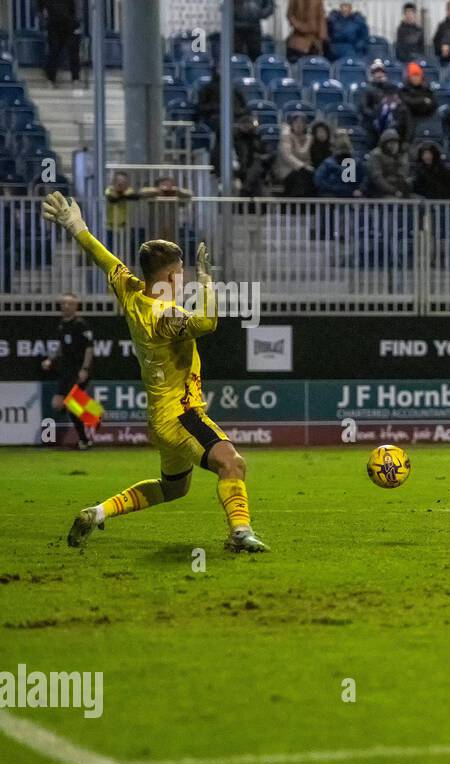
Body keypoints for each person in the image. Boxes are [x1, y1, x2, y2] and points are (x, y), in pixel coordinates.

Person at [42, 192, 268, 552]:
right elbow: (207, 323)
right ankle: (240, 534)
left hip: (159, 420)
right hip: (181, 414)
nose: (186, 279)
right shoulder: (164, 317)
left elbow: (105, 260)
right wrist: (208, 283)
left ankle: (96, 513)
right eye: (183, 273)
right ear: (171, 274)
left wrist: (77, 227)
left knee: (174, 488)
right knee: (232, 463)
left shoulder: (131, 292)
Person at [40, 293, 95, 449]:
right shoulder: (62, 325)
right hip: (66, 371)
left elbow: (89, 348)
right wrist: (50, 360)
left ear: (76, 306)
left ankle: (85, 438)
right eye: (63, 304)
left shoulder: (80, 324)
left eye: (69, 304)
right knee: (58, 404)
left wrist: (84, 368)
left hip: (78, 370)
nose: (66, 306)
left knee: (69, 403)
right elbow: (61, 348)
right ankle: (92, 415)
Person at [38, 0, 81, 86]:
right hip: (53, 25)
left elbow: (74, 8)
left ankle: (75, 78)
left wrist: (76, 22)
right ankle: (50, 78)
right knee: (53, 51)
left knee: (73, 52)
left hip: (69, 24)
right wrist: (43, 16)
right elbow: (40, 7)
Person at [275, 113, 316, 196]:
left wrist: (308, 141)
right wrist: (302, 166)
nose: (299, 125)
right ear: (292, 124)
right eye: (296, 122)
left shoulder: (309, 138)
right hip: (287, 170)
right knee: (300, 177)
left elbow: (306, 155)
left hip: (305, 170)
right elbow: (287, 156)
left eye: (302, 123)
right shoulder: (286, 136)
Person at [314, 130, 364, 197]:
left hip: (350, 199)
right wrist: (332, 190)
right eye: (338, 138)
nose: (342, 140)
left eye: (343, 137)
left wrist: (360, 190)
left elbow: (362, 179)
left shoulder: (356, 163)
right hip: (331, 199)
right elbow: (319, 181)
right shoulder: (328, 163)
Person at [366, 128, 412, 197]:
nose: (394, 145)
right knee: (393, 202)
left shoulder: (402, 155)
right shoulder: (376, 155)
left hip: (400, 190)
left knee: (420, 201)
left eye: (396, 143)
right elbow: (377, 178)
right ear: (384, 144)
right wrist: (394, 191)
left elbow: (403, 175)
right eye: (391, 143)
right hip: (381, 193)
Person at [400, 62, 438, 142]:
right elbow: (407, 101)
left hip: (426, 116)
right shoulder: (405, 89)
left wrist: (420, 102)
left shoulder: (427, 89)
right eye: (413, 76)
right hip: (411, 119)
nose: (416, 78)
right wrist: (423, 100)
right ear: (409, 77)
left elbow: (433, 103)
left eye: (417, 75)